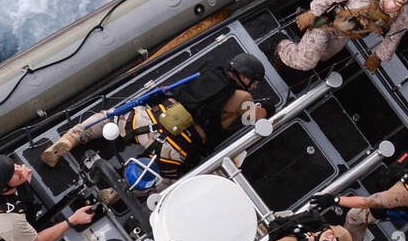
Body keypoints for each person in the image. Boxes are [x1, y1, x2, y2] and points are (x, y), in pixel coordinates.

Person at [40, 53, 268, 173]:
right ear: (245, 77)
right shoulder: (244, 98)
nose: (256, 86)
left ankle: (70, 140)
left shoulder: (207, 69)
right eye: (255, 82)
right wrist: (268, 110)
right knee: (168, 183)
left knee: (107, 117)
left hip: (148, 120)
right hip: (175, 147)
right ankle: (118, 192)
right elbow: (252, 120)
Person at [275, 0, 408, 73]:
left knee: (323, 57)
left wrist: (378, 57)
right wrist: (313, 12)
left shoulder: (402, 18)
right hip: (326, 22)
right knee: (306, 62)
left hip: (344, 35)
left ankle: (298, 51)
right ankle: (282, 48)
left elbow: (393, 39)